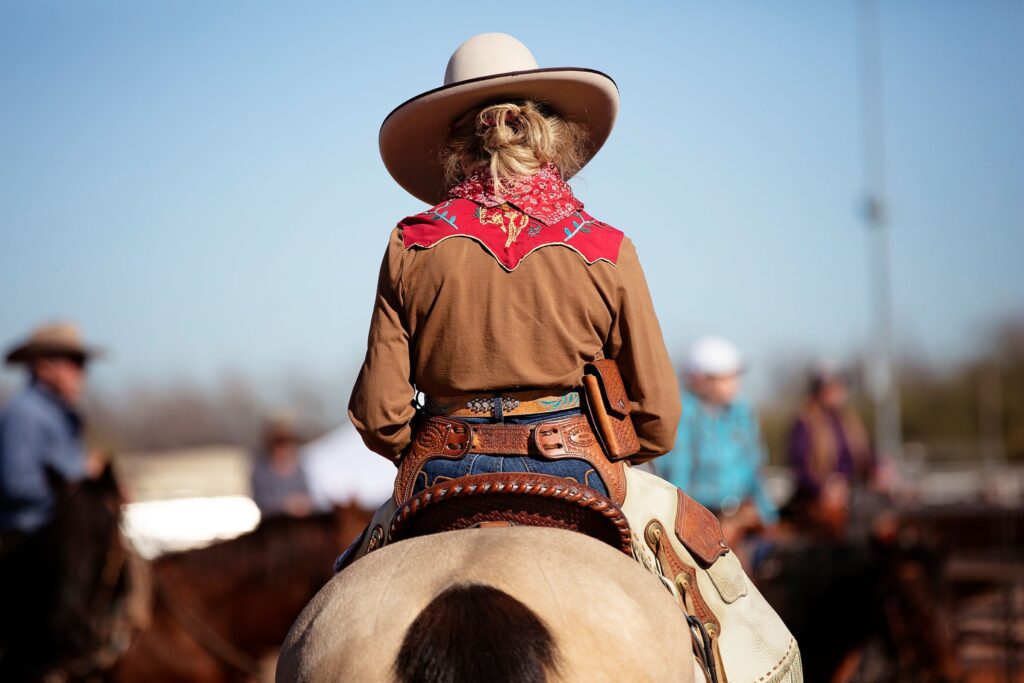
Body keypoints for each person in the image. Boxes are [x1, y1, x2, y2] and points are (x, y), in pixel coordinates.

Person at [344, 33, 800, 680]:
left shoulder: (409, 245)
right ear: (546, 132)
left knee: (334, 594)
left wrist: (431, 433)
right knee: (758, 644)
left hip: (437, 472)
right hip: (579, 469)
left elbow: (380, 414)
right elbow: (659, 419)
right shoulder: (607, 246)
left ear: (455, 144)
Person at [660, 336, 778, 548]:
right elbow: (678, 476)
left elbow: (755, 468)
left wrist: (768, 518)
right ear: (702, 380)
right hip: (705, 522)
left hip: (744, 518)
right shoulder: (683, 414)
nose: (735, 384)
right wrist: (685, 526)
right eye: (726, 377)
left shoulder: (742, 412)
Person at [0, 322, 101, 546]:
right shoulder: (24, 414)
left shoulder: (63, 416)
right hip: (29, 546)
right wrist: (81, 473)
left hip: (61, 536)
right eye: (74, 363)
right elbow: (17, 484)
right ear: (44, 366)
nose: (81, 373)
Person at [787, 366, 874, 538]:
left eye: (839, 387)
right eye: (830, 388)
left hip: (853, 491)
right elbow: (800, 468)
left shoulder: (851, 421)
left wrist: (879, 470)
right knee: (834, 521)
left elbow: (866, 458)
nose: (836, 392)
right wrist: (823, 488)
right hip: (818, 498)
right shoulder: (805, 422)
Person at [250, 413, 314, 517]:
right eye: (280, 442)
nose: (284, 448)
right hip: (273, 525)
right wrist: (285, 505)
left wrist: (304, 504)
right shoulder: (261, 471)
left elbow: (308, 496)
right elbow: (260, 500)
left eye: (288, 442)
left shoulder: (299, 470)